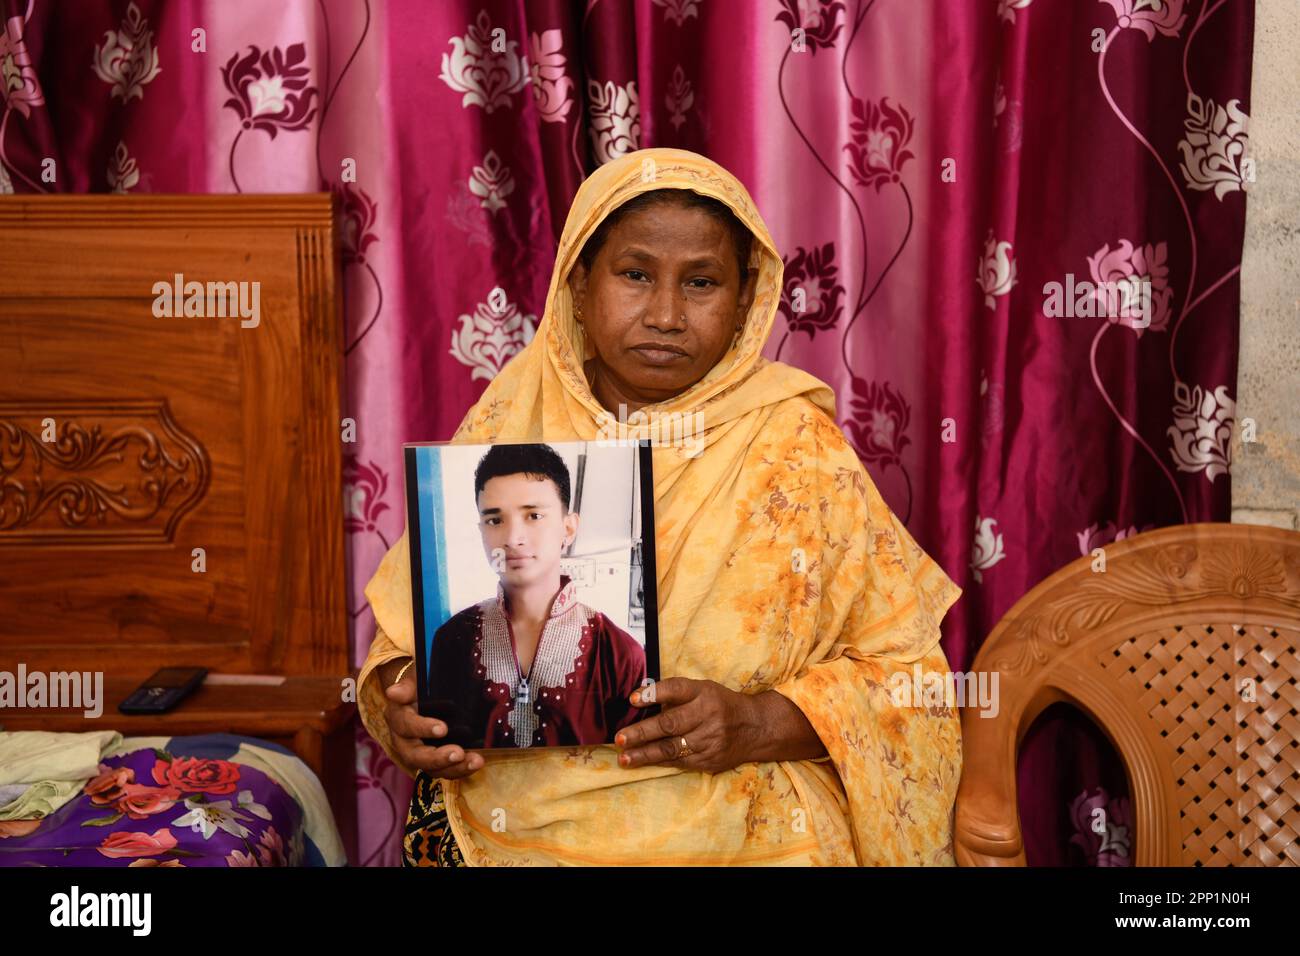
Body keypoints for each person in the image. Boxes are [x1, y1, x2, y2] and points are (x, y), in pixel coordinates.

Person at [358, 147, 963, 866]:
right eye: (636, 274)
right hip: (509, 824)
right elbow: (402, 648)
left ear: (745, 301)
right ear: (579, 285)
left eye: (702, 282)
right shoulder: (517, 415)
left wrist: (756, 723)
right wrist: (406, 704)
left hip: (742, 828)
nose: (668, 315)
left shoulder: (795, 444)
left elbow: (909, 682)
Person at [424, 442, 647, 749]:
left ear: (568, 530)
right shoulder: (451, 640)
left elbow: (637, 771)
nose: (513, 539)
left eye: (533, 516)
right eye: (494, 520)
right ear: (481, 533)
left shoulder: (620, 654)